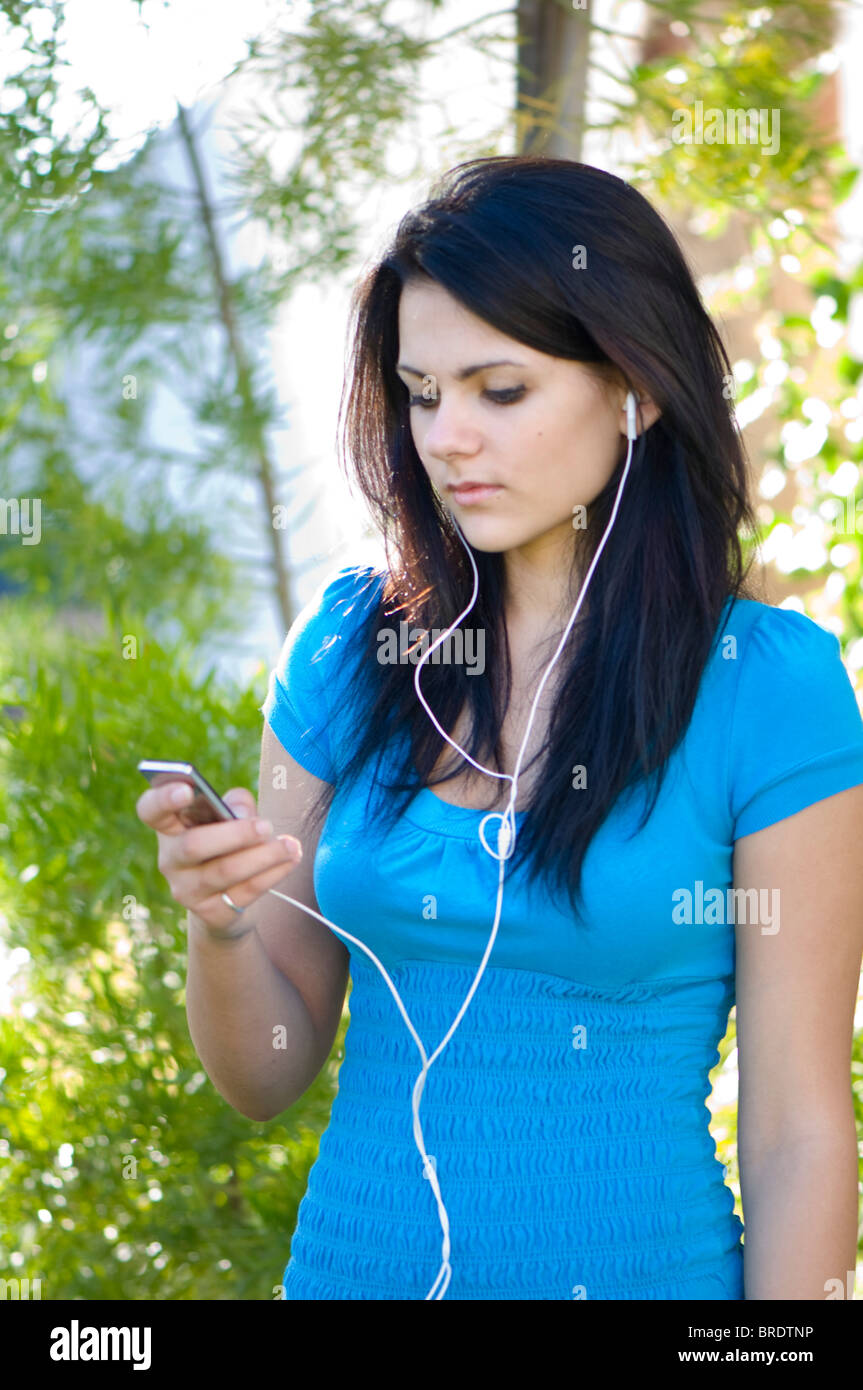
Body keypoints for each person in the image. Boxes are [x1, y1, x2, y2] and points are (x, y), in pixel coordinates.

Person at [137, 155, 863, 1301]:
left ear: (635, 386)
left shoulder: (765, 691)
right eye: (422, 394)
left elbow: (797, 1131)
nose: (446, 440)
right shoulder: (345, 652)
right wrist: (221, 926)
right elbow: (264, 1076)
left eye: (499, 390)